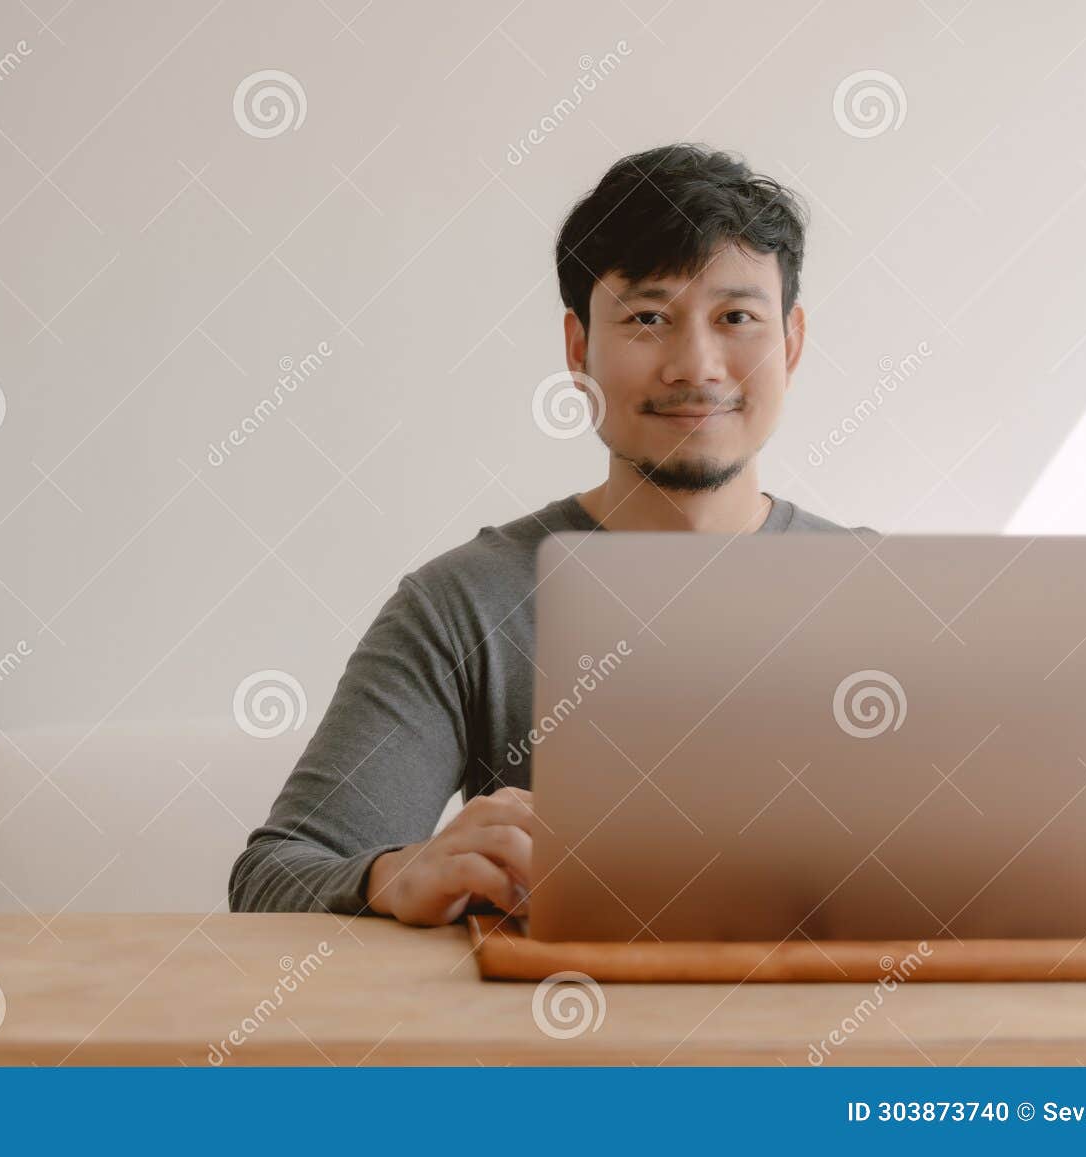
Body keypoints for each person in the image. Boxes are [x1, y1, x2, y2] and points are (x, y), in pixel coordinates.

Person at [229, 143, 871, 925]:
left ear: (791, 344)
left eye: (736, 318)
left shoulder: (887, 597)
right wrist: (396, 873)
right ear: (578, 350)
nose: (696, 365)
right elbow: (274, 876)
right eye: (647, 318)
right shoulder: (466, 605)